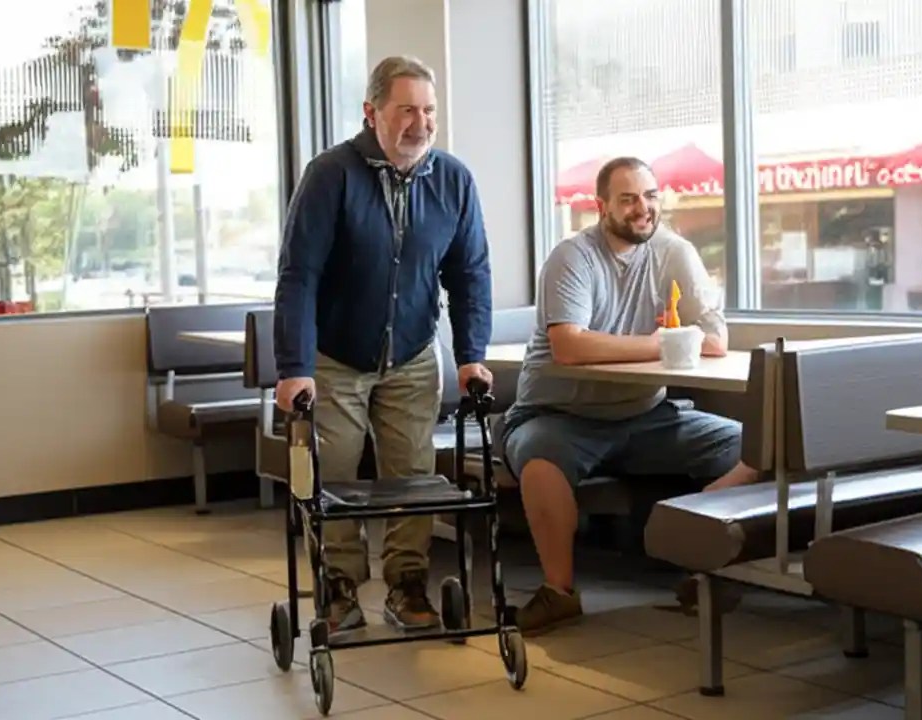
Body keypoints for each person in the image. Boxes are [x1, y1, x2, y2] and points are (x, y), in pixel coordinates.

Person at [272, 55, 493, 634]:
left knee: (414, 474)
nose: (420, 123)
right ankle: (339, 586)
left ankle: (407, 583)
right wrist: (294, 367)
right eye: (406, 110)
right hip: (337, 356)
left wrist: (471, 355)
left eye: (428, 110)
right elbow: (300, 275)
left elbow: (470, 274)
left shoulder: (453, 180)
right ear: (372, 114)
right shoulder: (331, 174)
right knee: (337, 477)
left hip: (415, 354)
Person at [500, 157, 760, 635]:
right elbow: (570, 345)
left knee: (759, 448)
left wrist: (678, 338)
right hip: (557, 414)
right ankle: (559, 593)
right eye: (628, 199)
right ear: (601, 207)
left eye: (651, 196)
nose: (643, 208)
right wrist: (666, 341)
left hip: (645, 415)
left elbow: (716, 339)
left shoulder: (674, 252)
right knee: (541, 459)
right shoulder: (572, 257)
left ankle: (694, 554)